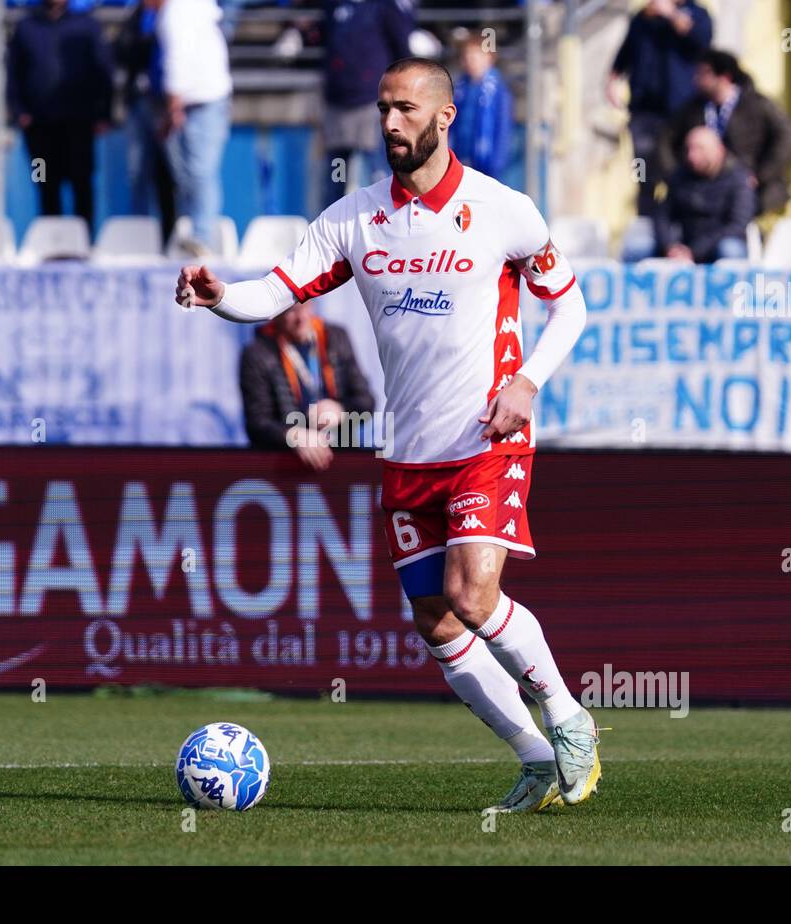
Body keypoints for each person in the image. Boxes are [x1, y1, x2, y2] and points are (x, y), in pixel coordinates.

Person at [176, 57, 600, 814]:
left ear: (444, 117)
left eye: (405, 108)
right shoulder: (354, 219)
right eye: (382, 109)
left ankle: (569, 721)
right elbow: (275, 292)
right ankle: (534, 757)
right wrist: (220, 296)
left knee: (473, 595)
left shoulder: (504, 210)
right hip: (408, 453)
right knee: (435, 619)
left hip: (486, 440)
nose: (390, 123)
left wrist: (527, 381)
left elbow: (569, 307)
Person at [7, 0, 113, 231]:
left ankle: (84, 241)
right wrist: (19, 112)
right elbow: (13, 73)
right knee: (43, 181)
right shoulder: (26, 27)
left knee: (81, 182)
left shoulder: (87, 26)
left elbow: (103, 71)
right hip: (38, 128)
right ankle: (50, 240)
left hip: (78, 124)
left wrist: (104, 113)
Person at [238, 301, 375, 470]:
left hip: (341, 458)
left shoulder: (336, 337)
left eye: (305, 307)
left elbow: (366, 402)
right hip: (284, 467)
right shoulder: (257, 353)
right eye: (292, 311)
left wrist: (340, 410)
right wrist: (292, 435)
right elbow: (257, 424)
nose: (301, 318)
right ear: (275, 313)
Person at [659, 49, 791, 216]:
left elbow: (788, 137)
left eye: (705, 73)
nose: (697, 79)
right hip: (702, 192)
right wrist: (677, 176)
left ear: (724, 77)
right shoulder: (692, 109)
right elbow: (665, 141)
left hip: (752, 192)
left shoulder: (757, 104)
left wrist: (761, 174)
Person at [608, 0, 712, 215]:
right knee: (642, 172)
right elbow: (627, 51)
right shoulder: (643, 18)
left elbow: (701, 43)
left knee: (680, 172)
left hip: (680, 113)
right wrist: (612, 79)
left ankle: (680, 229)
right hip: (644, 111)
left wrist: (672, 15)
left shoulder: (698, 14)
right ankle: (645, 220)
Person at [314, 0, 414, 209]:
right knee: (337, 174)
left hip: (372, 103)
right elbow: (324, 41)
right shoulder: (334, 6)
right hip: (338, 104)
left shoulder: (384, 7)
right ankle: (335, 225)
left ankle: (388, 220)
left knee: (379, 169)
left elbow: (402, 48)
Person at [150, 0, 231, 257]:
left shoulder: (177, 11)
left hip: (201, 102)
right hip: (198, 101)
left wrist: (173, 105)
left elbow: (177, 58)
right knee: (189, 174)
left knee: (199, 171)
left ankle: (201, 236)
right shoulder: (185, 8)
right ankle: (193, 233)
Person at [649, 125, 756, 264]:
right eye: (689, 149)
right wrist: (670, 246)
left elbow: (737, 225)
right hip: (682, 246)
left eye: (700, 149)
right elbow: (662, 215)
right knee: (638, 246)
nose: (691, 155)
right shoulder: (678, 176)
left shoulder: (739, 180)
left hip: (716, 245)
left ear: (719, 150)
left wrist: (695, 251)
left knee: (729, 249)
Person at [117, 0, 176, 242]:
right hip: (141, 105)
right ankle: (140, 238)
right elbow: (121, 51)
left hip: (167, 106)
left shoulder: (175, 14)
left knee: (170, 175)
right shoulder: (137, 16)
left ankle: (172, 236)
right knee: (138, 173)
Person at [450, 32, 512, 181]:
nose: (470, 62)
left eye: (475, 57)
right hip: (462, 157)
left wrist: (497, 162)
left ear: (489, 58)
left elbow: (502, 127)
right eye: (466, 57)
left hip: (487, 161)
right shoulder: (460, 88)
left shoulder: (497, 90)